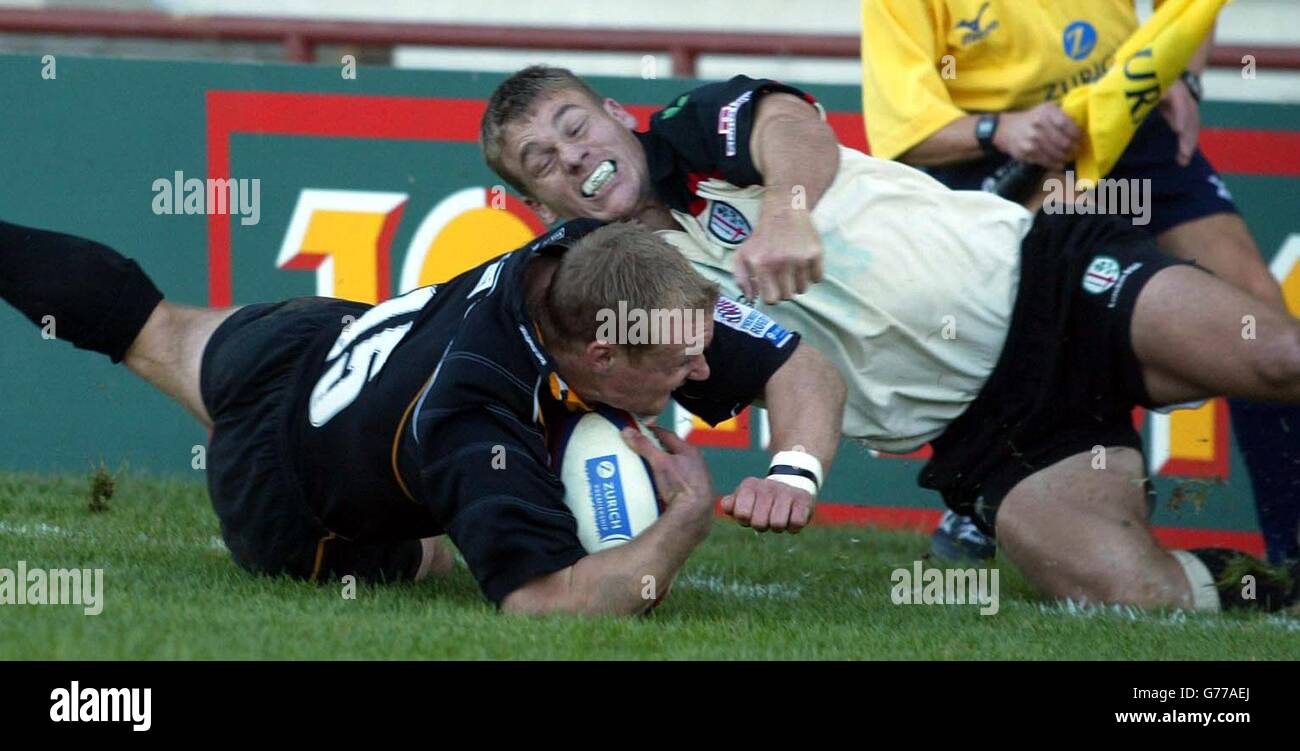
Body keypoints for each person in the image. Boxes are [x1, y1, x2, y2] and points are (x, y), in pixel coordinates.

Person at [479, 66, 1300, 612]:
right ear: (542, 208)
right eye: (542, 159)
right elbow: (786, 372)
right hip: (994, 430)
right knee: (1127, 593)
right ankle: (1266, 586)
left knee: (1278, 356)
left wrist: (787, 210)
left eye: (575, 124)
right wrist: (789, 469)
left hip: (1046, 279)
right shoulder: (624, 289)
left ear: (618, 115)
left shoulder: (691, 128)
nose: (573, 153)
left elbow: (790, 121)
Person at [0, 218, 845, 616]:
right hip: (287, 494)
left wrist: (793, 467)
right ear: (600, 356)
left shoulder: (596, 260)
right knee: (433, 555)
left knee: (152, 326)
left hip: (308, 338)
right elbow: (541, 605)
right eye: (681, 365)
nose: (705, 372)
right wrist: (686, 519)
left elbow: (803, 367)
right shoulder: (479, 419)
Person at [859, 0, 1300, 564]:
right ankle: (988, 486)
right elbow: (903, 130)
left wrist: (1184, 75)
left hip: (1124, 117)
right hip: (1007, 154)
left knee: (1265, 324)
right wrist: (1003, 129)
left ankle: (1290, 557)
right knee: (1050, 337)